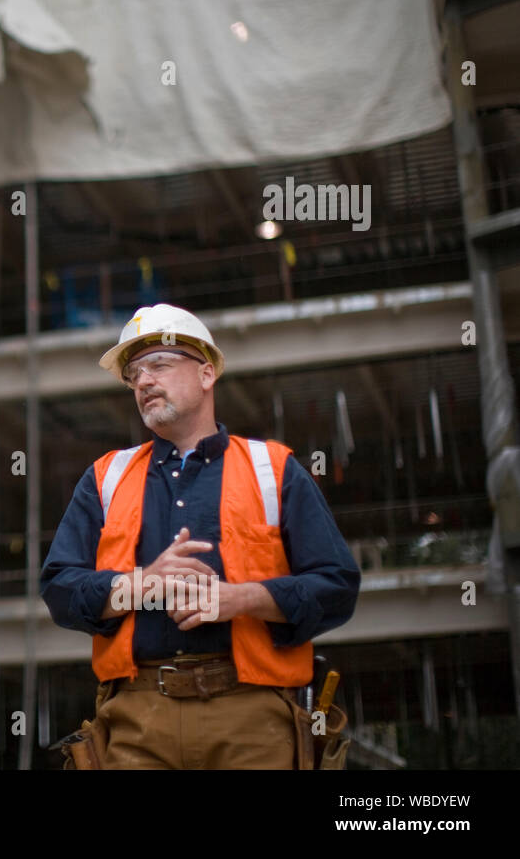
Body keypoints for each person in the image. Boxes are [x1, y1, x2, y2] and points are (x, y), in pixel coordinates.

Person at [41, 303, 360, 769]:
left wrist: (241, 599)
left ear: (207, 373)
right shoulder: (106, 477)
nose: (144, 381)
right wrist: (140, 584)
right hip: (136, 720)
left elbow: (337, 587)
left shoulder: (272, 470)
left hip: (252, 719)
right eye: (134, 374)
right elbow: (58, 589)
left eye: (160, 364)